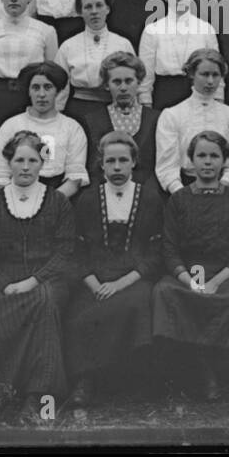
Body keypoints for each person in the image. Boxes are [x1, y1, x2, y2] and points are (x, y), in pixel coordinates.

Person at [0, 131, 76, 418]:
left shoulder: (57, 202)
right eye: (20, 160)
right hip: (1, 281)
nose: (26, 167)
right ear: (10, 163)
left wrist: (33, 280)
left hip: (47, 279)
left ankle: (41, 397)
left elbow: (65, 252)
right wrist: (4, 284)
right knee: (1, 317)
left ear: (42, 164)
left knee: (44, 301)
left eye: (33, 160)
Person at [152, 131, 229, 400]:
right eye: (201, 156)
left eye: (214, 156)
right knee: (165, 293)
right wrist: (191, 281)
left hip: (223, 274)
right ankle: (187, 372)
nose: (207, 162)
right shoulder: (179, 199)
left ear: (224, 162)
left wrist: (215, 282)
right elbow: (169, 248)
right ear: (191, 161)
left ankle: (214, 372)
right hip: (186, 274)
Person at [66, 132, 166, 407]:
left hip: (134, 277)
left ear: (134, 162)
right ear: (101, 165)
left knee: (137, 304)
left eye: (124, 160)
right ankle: (85, 380)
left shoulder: (150, 198)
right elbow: (76, 251)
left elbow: (155, 253)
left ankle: (133, 381)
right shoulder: (86, 200)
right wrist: (94, 283)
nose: (118, 167)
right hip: (95, 277)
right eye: (111, 161)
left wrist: (122, 283)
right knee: (81, 313)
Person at [0, 62, 89, 203]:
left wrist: (46, 203)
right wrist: (20, 201)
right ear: (28, 91)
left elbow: (75, 179)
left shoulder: (72, 128)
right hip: (13, 199)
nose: (42, 94)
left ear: (58, 91)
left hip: (56, 200)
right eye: (36, 88)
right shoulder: (11, 126)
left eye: (48, 87)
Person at [154, 49, 229, 194]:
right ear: (192, 74)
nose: (210, 81)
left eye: (215, 75)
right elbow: (166, 165)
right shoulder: (172, 115)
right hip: (184, 187)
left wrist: (224, 185)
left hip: (224, 188)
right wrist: (182, 194)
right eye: (204, 74)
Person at [54, 0, 134, 126]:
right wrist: (56, 114)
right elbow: (60, 85)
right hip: (79, 108)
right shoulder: (68, 45)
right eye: (88, 7)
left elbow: (133, 81)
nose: (94, 11)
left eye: (99, 5)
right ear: (80, 12)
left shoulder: (123, 44)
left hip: (114, 107)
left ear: (107, 9)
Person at [138, 0, 219, 110]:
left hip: (198, 91)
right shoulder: (152, 30)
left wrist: (218, 97)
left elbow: (215, 66)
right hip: (165, 93)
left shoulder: (206, 29)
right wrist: (145, 101)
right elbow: (146, 72)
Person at [82, 52, 160, 187]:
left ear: (139, 82)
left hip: (148, 195)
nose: (123, 88)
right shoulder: (91, 121)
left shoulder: (156, 119)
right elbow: (92, 169)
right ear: (107, 85)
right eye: (116, 82)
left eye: (129, 81)